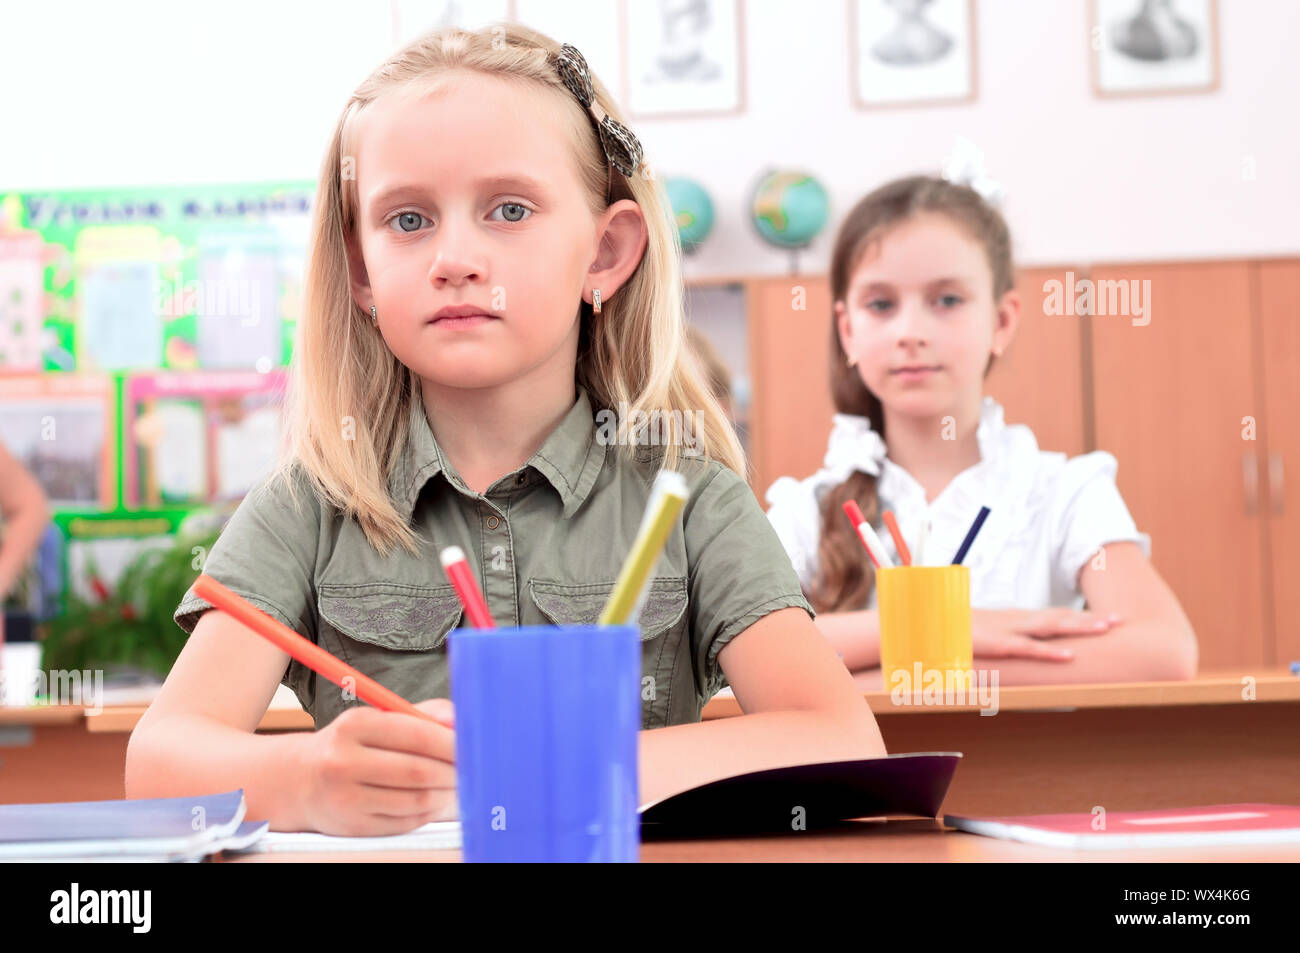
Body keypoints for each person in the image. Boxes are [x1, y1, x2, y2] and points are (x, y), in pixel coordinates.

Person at [126, 24, 884, 835]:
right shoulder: (310, 505)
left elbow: (842, 740)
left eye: (509, 209)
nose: (454, 256)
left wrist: (565, 770)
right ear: (361, 271)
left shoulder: (693, 499)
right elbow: (159, 761)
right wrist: (303, 778)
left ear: (606, 252)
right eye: (408, 220)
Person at [764, 173, 1197, 689]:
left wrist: (893, 680)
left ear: (1002, 320)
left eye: (947, 300)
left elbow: (1161, 651)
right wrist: (960, 628)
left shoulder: (1064, 493)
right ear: (848, 330)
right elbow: (740, 665)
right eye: (881, 305)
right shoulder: (805, 512)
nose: (911, 333)